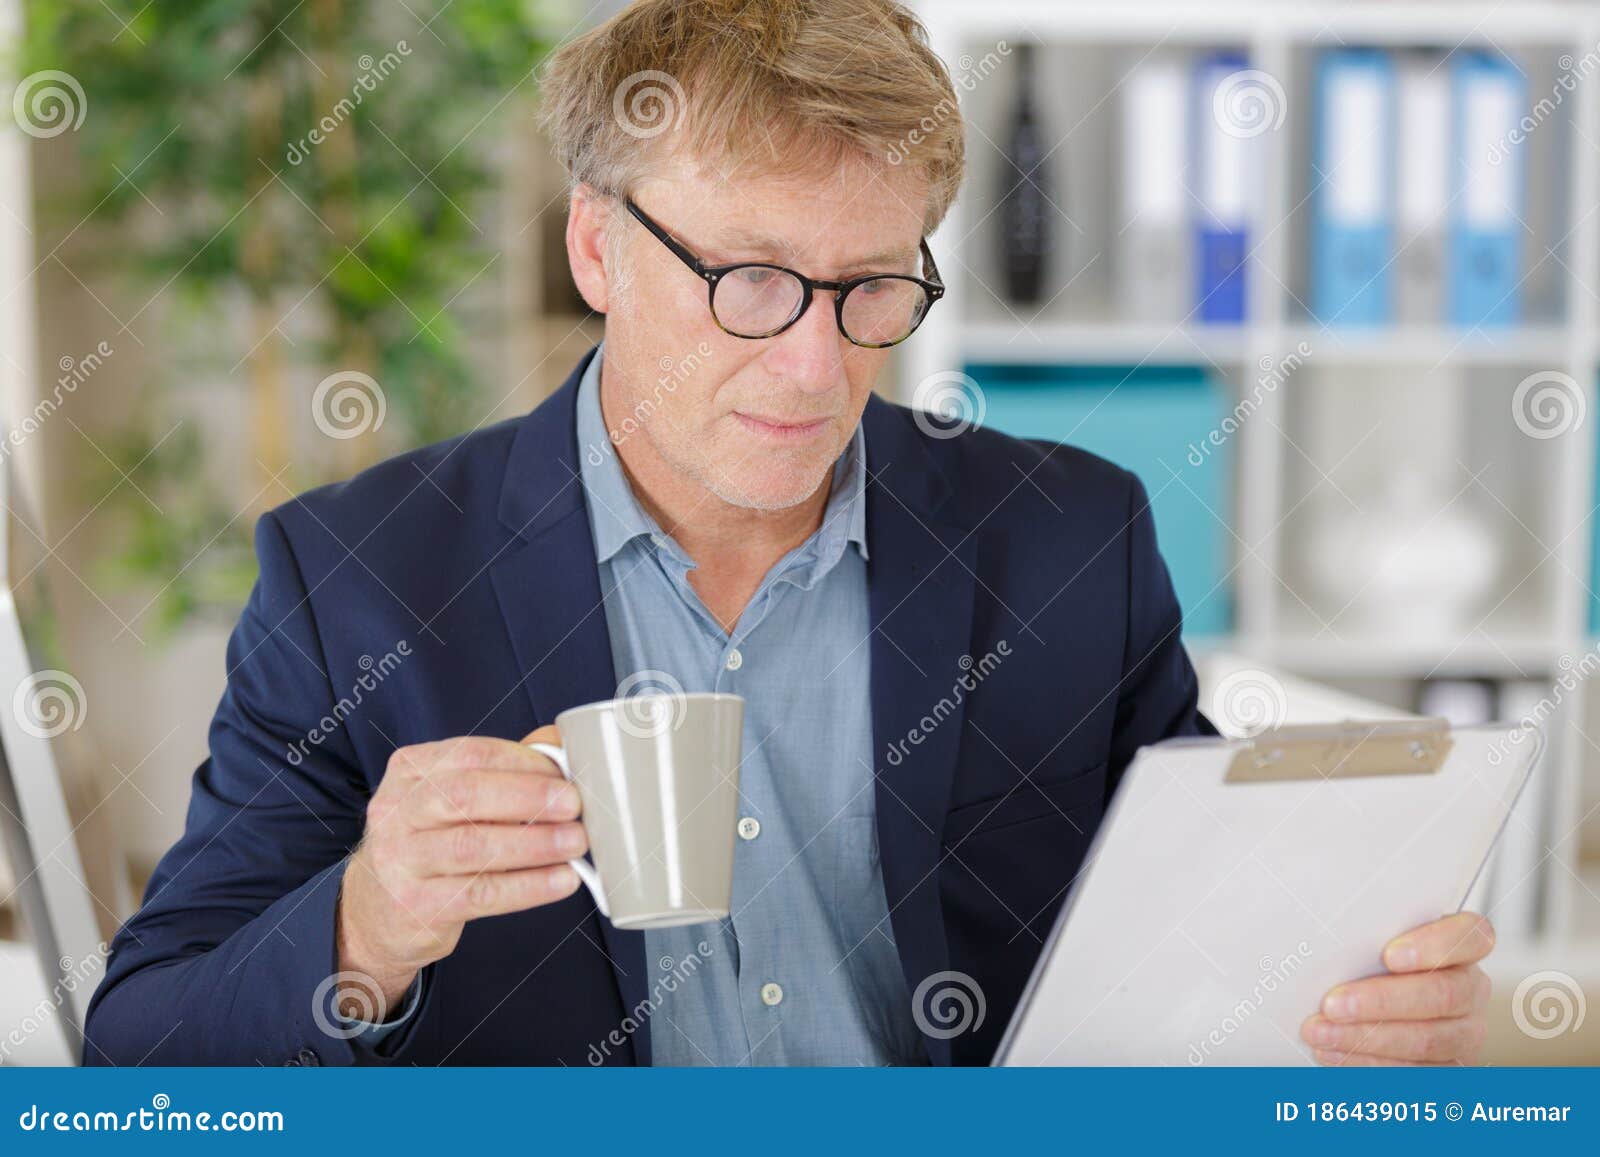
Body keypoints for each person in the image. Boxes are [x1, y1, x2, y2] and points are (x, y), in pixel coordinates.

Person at [84, 0, 1492, 1066]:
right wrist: (368, 921)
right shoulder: (358, 579)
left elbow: (1198, 927)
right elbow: (141, 1058)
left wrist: (1350, 1001)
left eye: (871, 287)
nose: (818, 368)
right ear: (596, 247)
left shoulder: (1075, 535)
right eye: (751, 281)